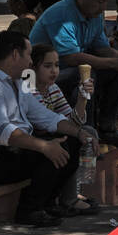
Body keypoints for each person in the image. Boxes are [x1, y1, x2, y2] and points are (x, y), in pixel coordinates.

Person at [0, 31, 92, 227]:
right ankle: (29, 211)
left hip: (15, 152)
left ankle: (48, 203)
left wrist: (80, 133)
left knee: (71, 142)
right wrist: (44, 146)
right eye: (29, 55)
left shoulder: (19, 82)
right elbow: (4, 131)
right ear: (15, 55)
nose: (31, 61)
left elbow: (44, 115)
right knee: (47, 152)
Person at [28, 0, 118, 148]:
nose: (103, 7)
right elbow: (72, 58)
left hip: (68, 71)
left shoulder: (95, 16)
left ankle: (107, 128)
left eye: (105, 1)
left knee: (113, 72)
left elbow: (102, 49)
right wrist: (115, 62)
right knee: (87, 75)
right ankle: (87, 132)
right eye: (99, 1)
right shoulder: (61, 16)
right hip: (41, 77)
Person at [31, 43, 98, 214]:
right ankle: (68, 199)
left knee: (89, 132)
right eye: (47, 66)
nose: (54, 71)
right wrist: (75, 132)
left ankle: (72, 193)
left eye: (56, 65)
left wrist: (83, 98)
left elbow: (73, 122)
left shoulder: (52, 88)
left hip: (54, 134)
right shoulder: (29, 89)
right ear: (33, 68)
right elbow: (41, 123)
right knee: (72, 140)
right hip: (35, 139)